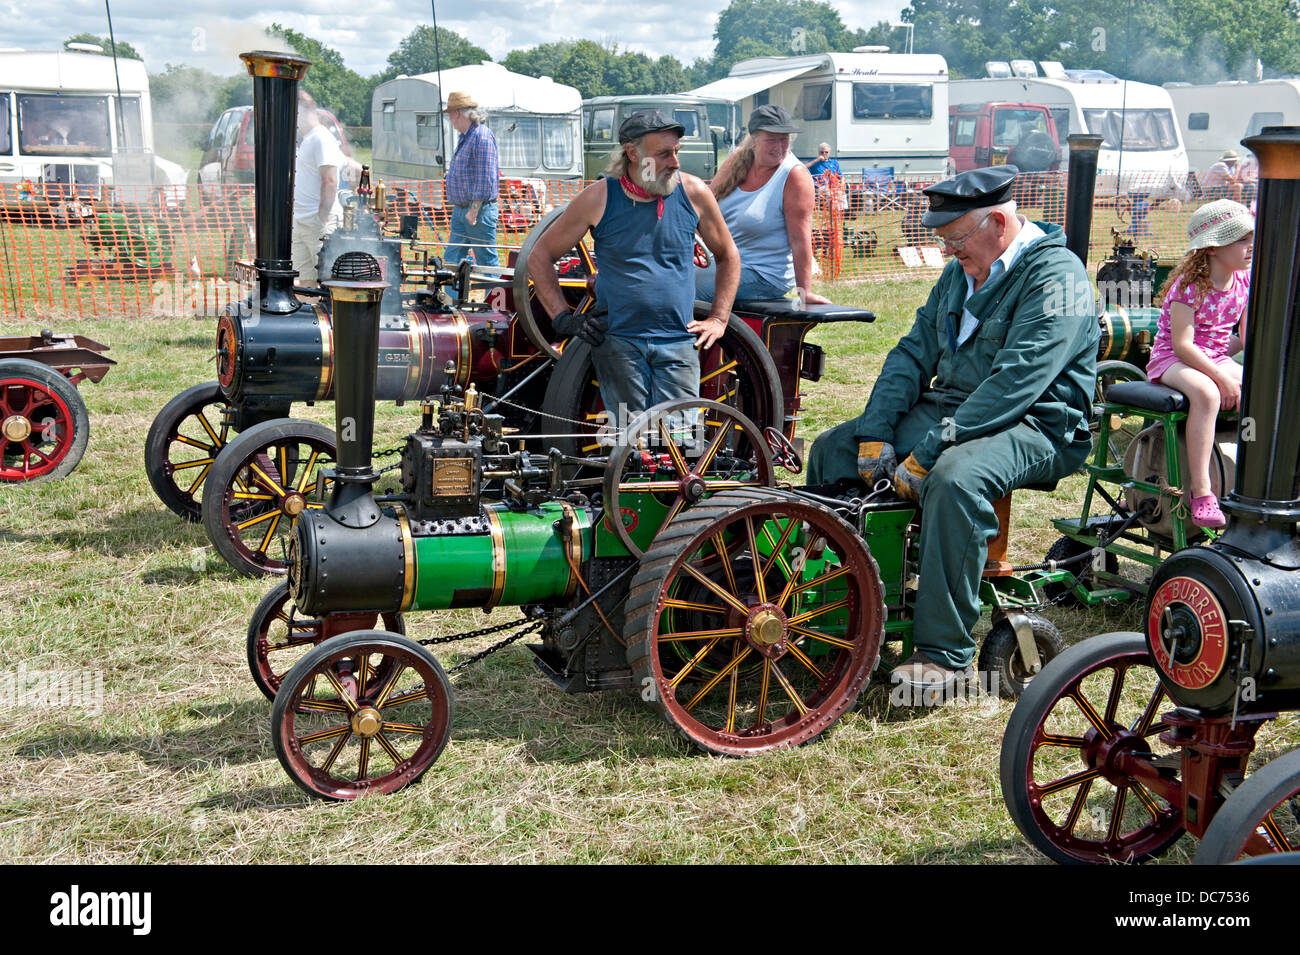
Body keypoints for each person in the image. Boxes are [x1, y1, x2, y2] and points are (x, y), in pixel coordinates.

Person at [805, 166, 1099, 694]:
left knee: (956, 477)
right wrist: (876, 431)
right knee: (834, 450)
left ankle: (944, 655)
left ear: (999, 223)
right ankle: (846, 613)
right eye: (944, 240)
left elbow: (1016, 383)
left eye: (956, 238)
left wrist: (932, 446)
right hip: (956, 408)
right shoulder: (960, 272)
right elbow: (913, 353)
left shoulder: (1058, 277)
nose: (948, 251)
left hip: (1038, 421)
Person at [528, 109, 739, 421]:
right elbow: (539, 256)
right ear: (633, 153)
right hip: (619, 344)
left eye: (677, 152)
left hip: (679, 340)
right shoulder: (598, 198)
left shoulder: (693, 192)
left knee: (681, 443)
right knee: (632, 443)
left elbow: (728, 256)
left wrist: (719, 319)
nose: (676, 163)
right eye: (664, 154)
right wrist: (562, 318)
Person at [1145, 199, 1254, 528]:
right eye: (1241, 240)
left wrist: (1230, 372)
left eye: (1251, 239)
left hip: (1213, 356)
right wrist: (1222, 376)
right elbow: (1183, 345)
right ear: (1212, 247)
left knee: (1260, 388)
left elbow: (1245, 339)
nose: (1250, 247)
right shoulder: (1189, 288)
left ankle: (1253, 474)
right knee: (1208, 394)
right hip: (1172, 360)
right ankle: (1202, 492)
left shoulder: (1245, 283)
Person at [697, 105, 830, 305]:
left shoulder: (795, 176)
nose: (779, 147)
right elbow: (704, 206)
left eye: (784, 139)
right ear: (754, 138)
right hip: (722, 262)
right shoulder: (736, 160)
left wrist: (805, 293)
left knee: (688, 288)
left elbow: (800, 240)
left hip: (765, 275)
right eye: (771, 140)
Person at [291, 90, 345, 287]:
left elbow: (330, 180)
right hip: (301, 222)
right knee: (306, 283)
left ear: (300, 110)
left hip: (319, 223)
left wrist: (321, 217)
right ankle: (311, 316)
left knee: (329, 282)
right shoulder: (307, 140)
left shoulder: (321, 137)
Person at [442, 91, 500, 268]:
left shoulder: (481, 136)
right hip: (462, 210)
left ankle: (492, 296)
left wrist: (473, 210)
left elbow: (485, 178)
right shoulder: (466, 136)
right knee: (452, 261)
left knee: (486, 262)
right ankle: (453, 297)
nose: (450, 120)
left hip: (478, 212)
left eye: (450, 115)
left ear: (457, 114)